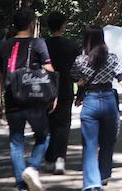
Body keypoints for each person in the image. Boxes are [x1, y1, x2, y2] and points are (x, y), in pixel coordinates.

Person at [0, 7, 56, 191]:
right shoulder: (38, 43)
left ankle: (22, 185)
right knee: (43, 136)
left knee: (16, 141)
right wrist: (54, 95)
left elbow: (0, 75)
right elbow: (49, 70)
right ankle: (32, 168)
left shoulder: (5, 45)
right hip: (35, 98)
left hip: (12, 98)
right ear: (31, 24)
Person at [72, 26, 122, 191]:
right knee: (108, 142)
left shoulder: (80, 60)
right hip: (109, 101)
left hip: (90, 101)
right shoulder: (112, 58)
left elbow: (76, 79)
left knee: (89, 145)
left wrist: (83, 86)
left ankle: (92, 183)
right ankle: (103, 175)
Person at [45, 11, 80, 175]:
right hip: (65, 88)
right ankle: (60, 159)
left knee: (48, 124)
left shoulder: (42, 44)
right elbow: (78, 70)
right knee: (63, 125)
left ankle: (49, 159)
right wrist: (80, 93)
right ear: (63, 25)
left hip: (45, 90)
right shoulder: (71, 46)